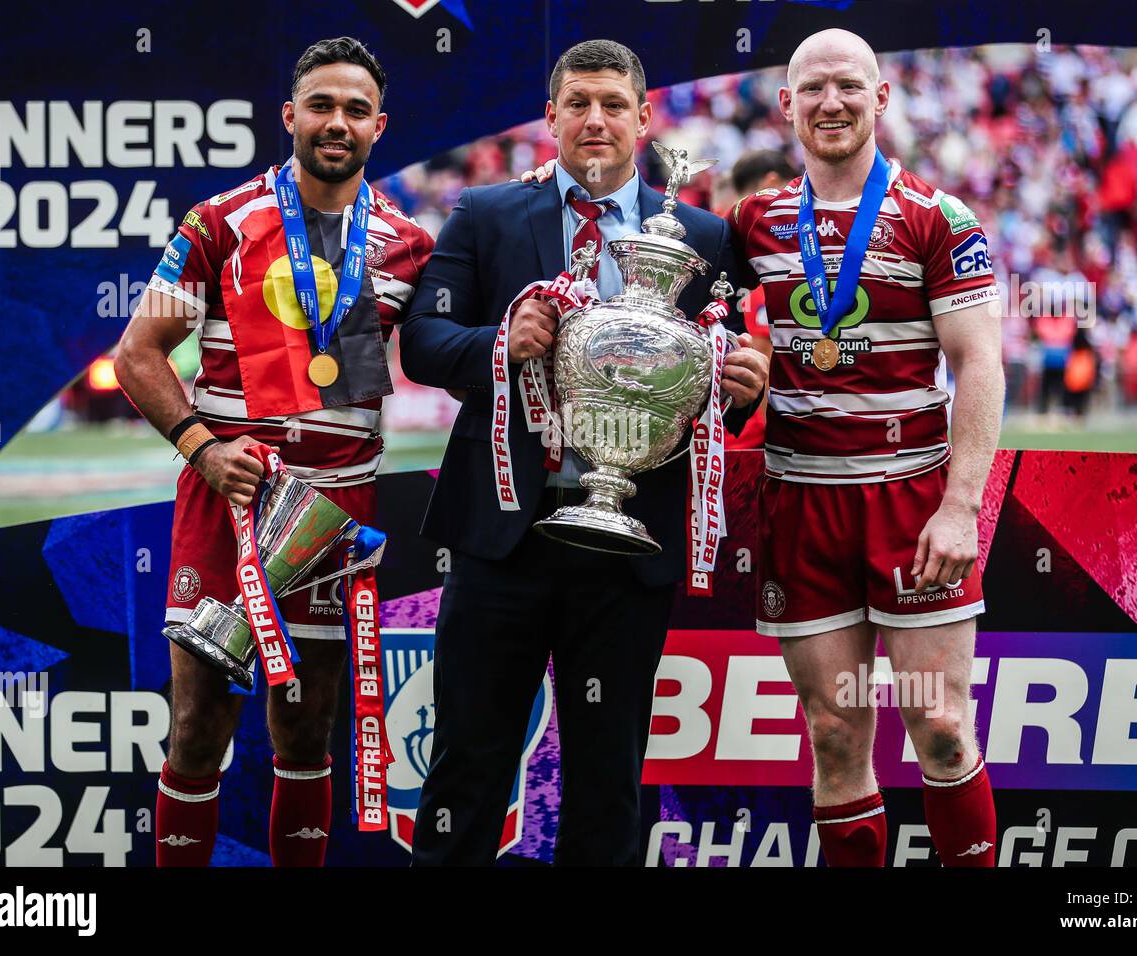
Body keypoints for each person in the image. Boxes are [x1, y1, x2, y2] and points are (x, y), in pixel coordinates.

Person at [399, 39, 769, 866]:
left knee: (608, 777)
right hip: (506, 539)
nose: (595, 119)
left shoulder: (704, 238)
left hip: (629, 546)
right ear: (552, 116)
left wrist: (743, 377)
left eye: (613, 104)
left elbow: (726, 370)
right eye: (578, 104)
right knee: (467, 764)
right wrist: (499, 340)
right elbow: (422, 342)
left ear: (645, 118)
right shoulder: (486, 214)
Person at [114, 37, 432, 867]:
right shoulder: (216, 223)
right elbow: (137, 354)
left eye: (356, 110)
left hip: (336, 509)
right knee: (197, 722)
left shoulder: (408, 243)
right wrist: (202, 447)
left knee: (305, 722)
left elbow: (449, 352)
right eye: (321, 105)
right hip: (231, 496)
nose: (338, 122)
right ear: (289, 116)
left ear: (380, 126)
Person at [729, 29, 1004, 866]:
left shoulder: (937, 217)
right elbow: (729, 345)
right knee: (838, 735)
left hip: (910, 503)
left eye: (850, 86)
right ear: (787, 106)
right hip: (801, 502)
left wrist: (961, 508)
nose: (831, 103)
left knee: (943, 730)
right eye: (812, 89)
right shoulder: (753, 223)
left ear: (881, 98)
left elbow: (979, 362)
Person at [723, 150, 797, 450]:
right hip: (748, 437)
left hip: (705, 435)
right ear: (772, 182)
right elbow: (765, 354)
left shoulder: (709, 234)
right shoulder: (770, 260)